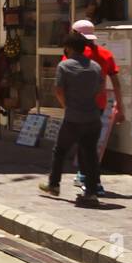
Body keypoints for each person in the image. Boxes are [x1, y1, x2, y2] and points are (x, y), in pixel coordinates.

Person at [40, 32, 108, 207]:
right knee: (90, 154)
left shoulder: (64, 66)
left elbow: (58, 90)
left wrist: (66, 106)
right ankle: (91, 193)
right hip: (93, 117)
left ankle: (54, 185)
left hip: (73, 118)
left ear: (68, 48)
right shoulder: (95, 66)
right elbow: (101, 88)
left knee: (60, 150)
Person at [70, 19, 124, 195]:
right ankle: (85, 176)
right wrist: (120, 106)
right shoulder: (106, 54)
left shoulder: (73, 55)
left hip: (78, 106)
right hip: (98, 105)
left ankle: (91, 181)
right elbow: (116, 83)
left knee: (86, 143)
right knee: (89, 142)